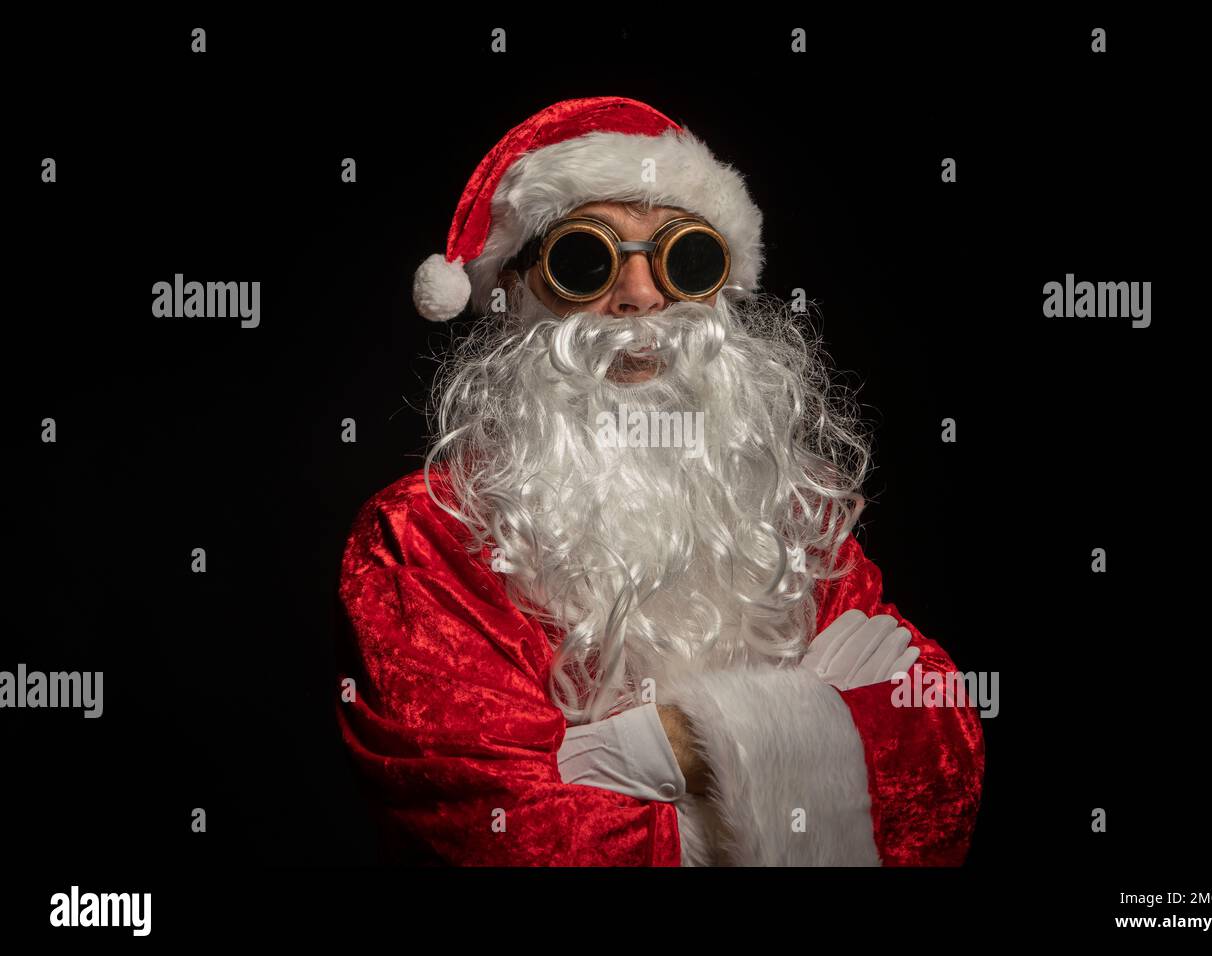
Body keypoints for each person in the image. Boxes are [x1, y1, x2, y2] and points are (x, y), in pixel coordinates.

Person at [335, 95, 984, 866]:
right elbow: (493, 828)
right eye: (586, 260)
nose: (643, 297)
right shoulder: (425, 532)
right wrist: (806, 729)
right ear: (513, 292)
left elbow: (939, 738)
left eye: (684, 259)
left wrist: (637, 753)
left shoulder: (787, 505)